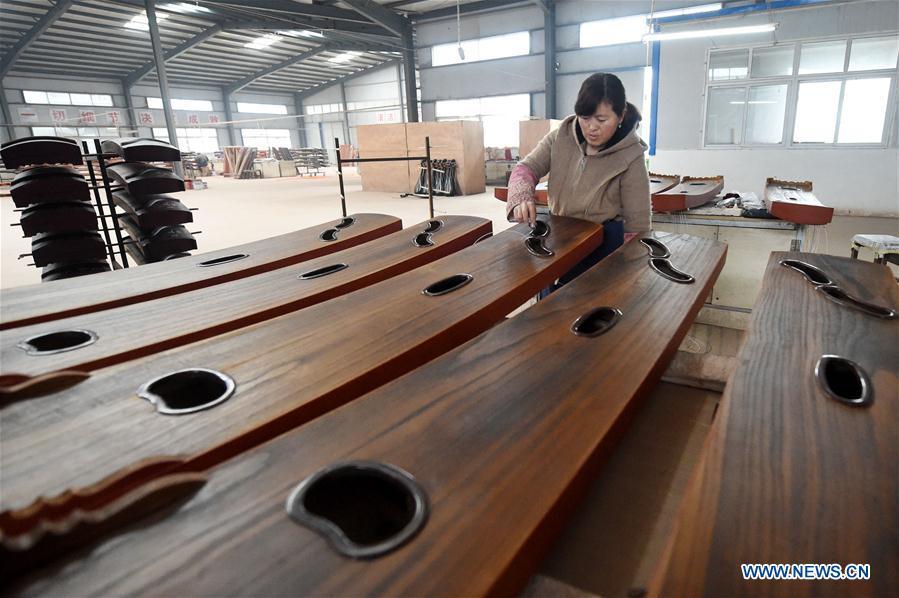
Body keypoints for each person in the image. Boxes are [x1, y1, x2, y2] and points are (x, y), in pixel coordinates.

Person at [508, 72, 650, 294]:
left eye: (602, 120)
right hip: (557, 236)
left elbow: (638, 225)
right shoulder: (560, 137)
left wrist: (631, 271)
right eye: (584, 118)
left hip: (601, 245)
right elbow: (526, 168)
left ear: (621, 116)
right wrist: (520, 197)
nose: (591, 127)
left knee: (587, 310)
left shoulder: (631, 156)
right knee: (548, 304)